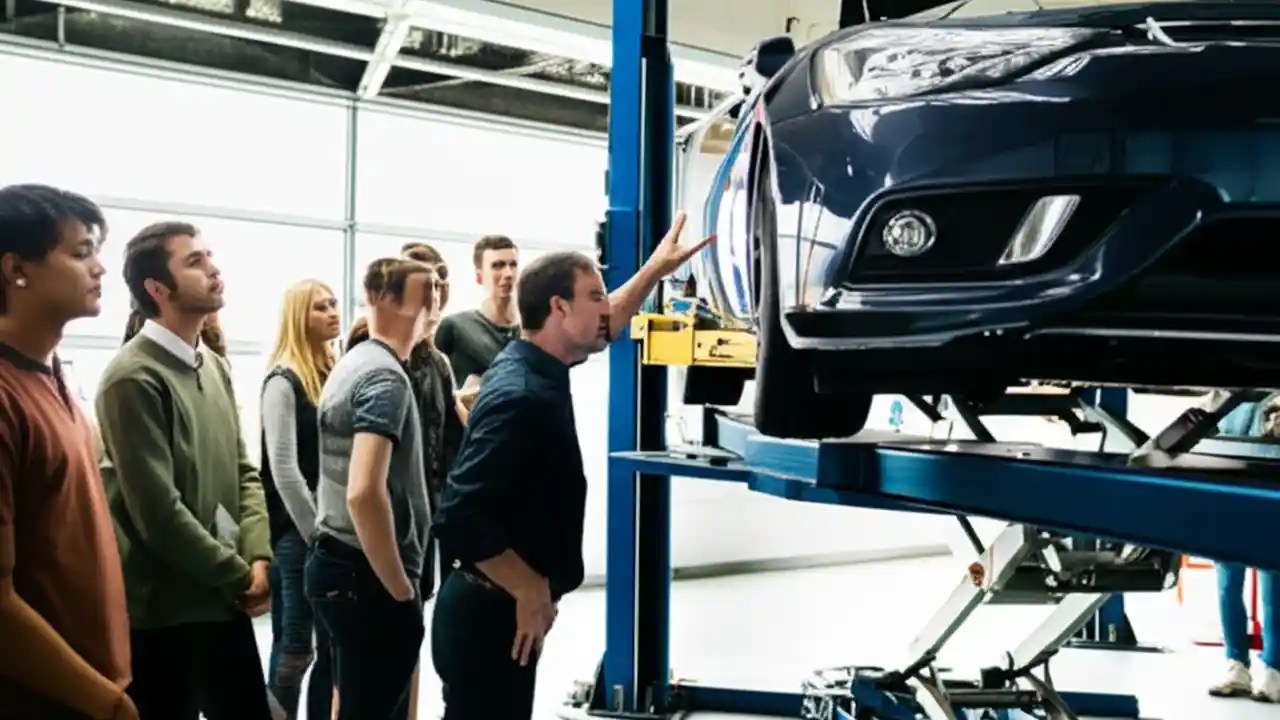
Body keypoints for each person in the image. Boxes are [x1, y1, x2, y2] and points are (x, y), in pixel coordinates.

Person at [430, 211, 710, 719]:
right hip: (490, 618)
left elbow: (605, 323)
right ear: (559, 307)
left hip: (503, 615)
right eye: (595, 295)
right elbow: (460, 516)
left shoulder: (535, 362)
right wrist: (529, 587)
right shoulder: (521, 394)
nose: (607, 307)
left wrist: (654, 270)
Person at [95, 221, 275, 720]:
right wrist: (239, 573)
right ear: (157, 288)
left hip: (223, 600)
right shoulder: (132, 377)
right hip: (165, 617)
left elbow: (244, 471)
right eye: (194, 261)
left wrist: (258, 557)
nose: (213, 268)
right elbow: (158, 513)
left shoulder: (212, 366)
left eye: (210, 256)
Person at [0, 183, 135, 720]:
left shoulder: (55, 373)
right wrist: (104, 701)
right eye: (80, 253)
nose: (99, 268)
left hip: (94, 681)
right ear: (16, 269)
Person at [305, 257, 440, 720]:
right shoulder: (385, 378)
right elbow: (363, 492)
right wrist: (401, 590)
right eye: (429, 292)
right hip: (366, 577)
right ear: (393, 302)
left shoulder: (354, 361)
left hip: (337, 565)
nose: (436, 303)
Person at [261, 279, 341, 720]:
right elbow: (284, 469)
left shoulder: (331, 370)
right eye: (319, 307)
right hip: (297, 532)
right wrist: (316, 533)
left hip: (324, 530)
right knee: (295, 648)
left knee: (328, 648)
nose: (332, 312)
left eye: (332, 304)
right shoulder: (284, 379)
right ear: (298, 317)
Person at [1209, 393, 1280, 702]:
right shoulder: (1223, 397)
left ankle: (1274, 669)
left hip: (1269, 494)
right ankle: (1235, 663)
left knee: (1273, 587)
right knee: (1227, 583)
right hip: (1230, 495)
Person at [433, 234, 521, 384]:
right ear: (479, 276)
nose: (508, 273)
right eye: (497, 265)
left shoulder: (533, 332)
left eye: (513, 265)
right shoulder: (455, 327)